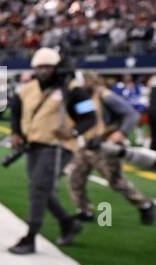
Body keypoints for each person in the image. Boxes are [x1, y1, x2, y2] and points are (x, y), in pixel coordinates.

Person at [7, 47, 84, 254]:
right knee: (42, 189)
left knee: (38, 189)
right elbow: (15, 111)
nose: (43, 71)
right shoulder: (27, 88)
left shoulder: (72, 89)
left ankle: (30, 237)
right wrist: (15, 133)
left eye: (47, 67)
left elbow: (89, 116)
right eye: (39, 67)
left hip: (59, 145)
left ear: (57, 67)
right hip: (34, 144)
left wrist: (74, 132)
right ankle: (68, 223)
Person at [66, 72, 155, 226]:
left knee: (116, 182)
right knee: (75, 176)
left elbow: (131, 114)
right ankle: (84, 210)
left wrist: (121, 132)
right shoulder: (85, 97)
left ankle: (145, 205)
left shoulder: (106, 96)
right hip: (88, 145)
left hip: (105, 146)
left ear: (91, 81)